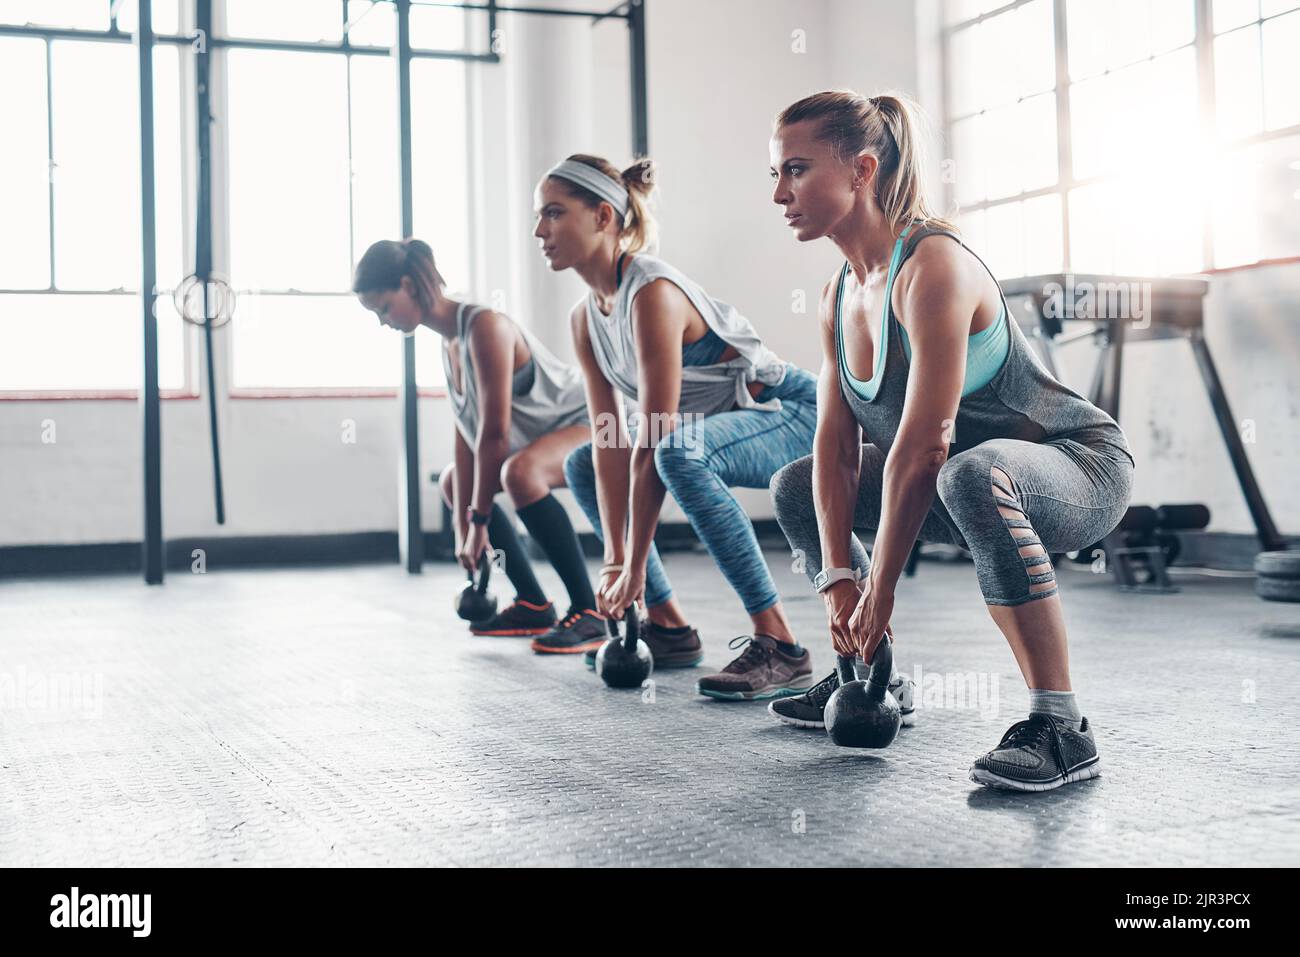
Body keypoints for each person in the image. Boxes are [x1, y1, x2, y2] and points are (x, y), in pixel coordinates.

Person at [766, 91, 1135, 791]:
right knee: (795, 486)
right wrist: (841, 581)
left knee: (969, 472)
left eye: (796, 170)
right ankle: (869, 676)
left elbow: (924, 445)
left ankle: (1061, 726)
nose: (780, 193)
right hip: (963, 478)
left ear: (862, 170)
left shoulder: (931, 268)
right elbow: (836, 448)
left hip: (1079, 467)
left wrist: (881, 587)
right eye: (776, 174)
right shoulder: (837, 293)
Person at [532, 153, 819, 700]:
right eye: (540, 216)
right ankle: (666, 627)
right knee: (582, 464)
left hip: (794, 414)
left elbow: (656, 436)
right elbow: (609, 438)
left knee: (676, 453)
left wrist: (633, 562)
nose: (539, 230)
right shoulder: (584, 318)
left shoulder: (652, 295)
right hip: (720, 425)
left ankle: (780, 643)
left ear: (602, 218)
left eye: (553, 213)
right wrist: (616, 558)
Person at [353, 238, 606, 646]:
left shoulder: (485, 327)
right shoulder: (447, 342)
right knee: (456, 480)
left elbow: (494, 435)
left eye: (384, 307)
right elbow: (468, 434)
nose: (384, 321)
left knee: (520, 474)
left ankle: (589, 613)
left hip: (594, 421)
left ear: (409, 285)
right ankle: (534, 605)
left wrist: (479, 523)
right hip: (543, 436)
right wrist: (461, 525)